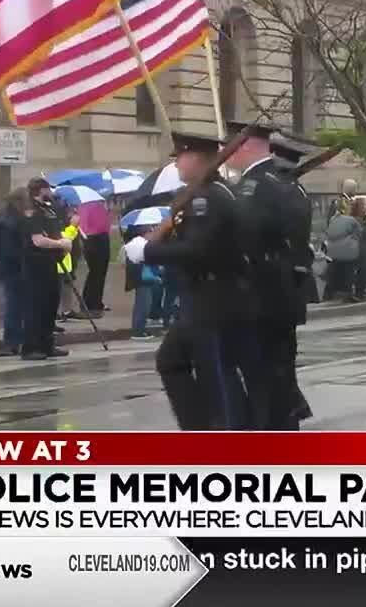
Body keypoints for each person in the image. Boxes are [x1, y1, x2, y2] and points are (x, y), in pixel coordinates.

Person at [124, 132, 257, 430]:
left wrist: (148, 250)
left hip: (214, 296)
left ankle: (229, 433)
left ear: (197, 158)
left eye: (180, 156)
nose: (176, 163)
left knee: (216, 372)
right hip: (206, 295)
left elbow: (199, 250)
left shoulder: (208, 198)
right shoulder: (203, 194)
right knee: (176, 361)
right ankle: (204, 427)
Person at [225, 122, 311, 429]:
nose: (226, 154)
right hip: (281, 291)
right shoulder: (282, 181)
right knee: (278, 370)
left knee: (267, 372)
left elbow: (244, 237)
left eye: (229, 147)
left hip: (264, 293)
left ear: (244, 146)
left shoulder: (256, 185)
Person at [269, 132, 319, 429]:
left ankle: (289, 411)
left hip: (281, 286)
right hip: (292, 287)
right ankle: (292, 406)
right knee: (284, 354)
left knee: (279, 357)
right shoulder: (295, 190)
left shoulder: (282, 192)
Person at [21, 178, 72, 361]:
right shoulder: (32, 211)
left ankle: (47, 344)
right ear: (41, 190)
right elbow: (37, 240)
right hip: (36, 264)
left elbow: (52, 232)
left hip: (51, 262)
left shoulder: (48, 209)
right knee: (37, 307)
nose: (50, 191)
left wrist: (61, 246)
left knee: (50, 305)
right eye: (48, 188)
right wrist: (60, 243)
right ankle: (31, 347)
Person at [0, 188, 31, 357]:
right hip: (13, 270)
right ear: (18, 202)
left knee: (16, 306)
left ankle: (16, 341)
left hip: (12, 269)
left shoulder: (11, 218)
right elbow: (11, 250)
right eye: (26, 200)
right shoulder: (10, 221)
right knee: (14, 307)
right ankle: (11, 342)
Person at [78, 195, 112, 316]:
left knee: (100, 271)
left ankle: (96, 301)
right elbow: (86, 224)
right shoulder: (88, 204)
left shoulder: (101, 204)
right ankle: (89, 302)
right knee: (96, 271)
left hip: (101, 237)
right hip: (94, 238)